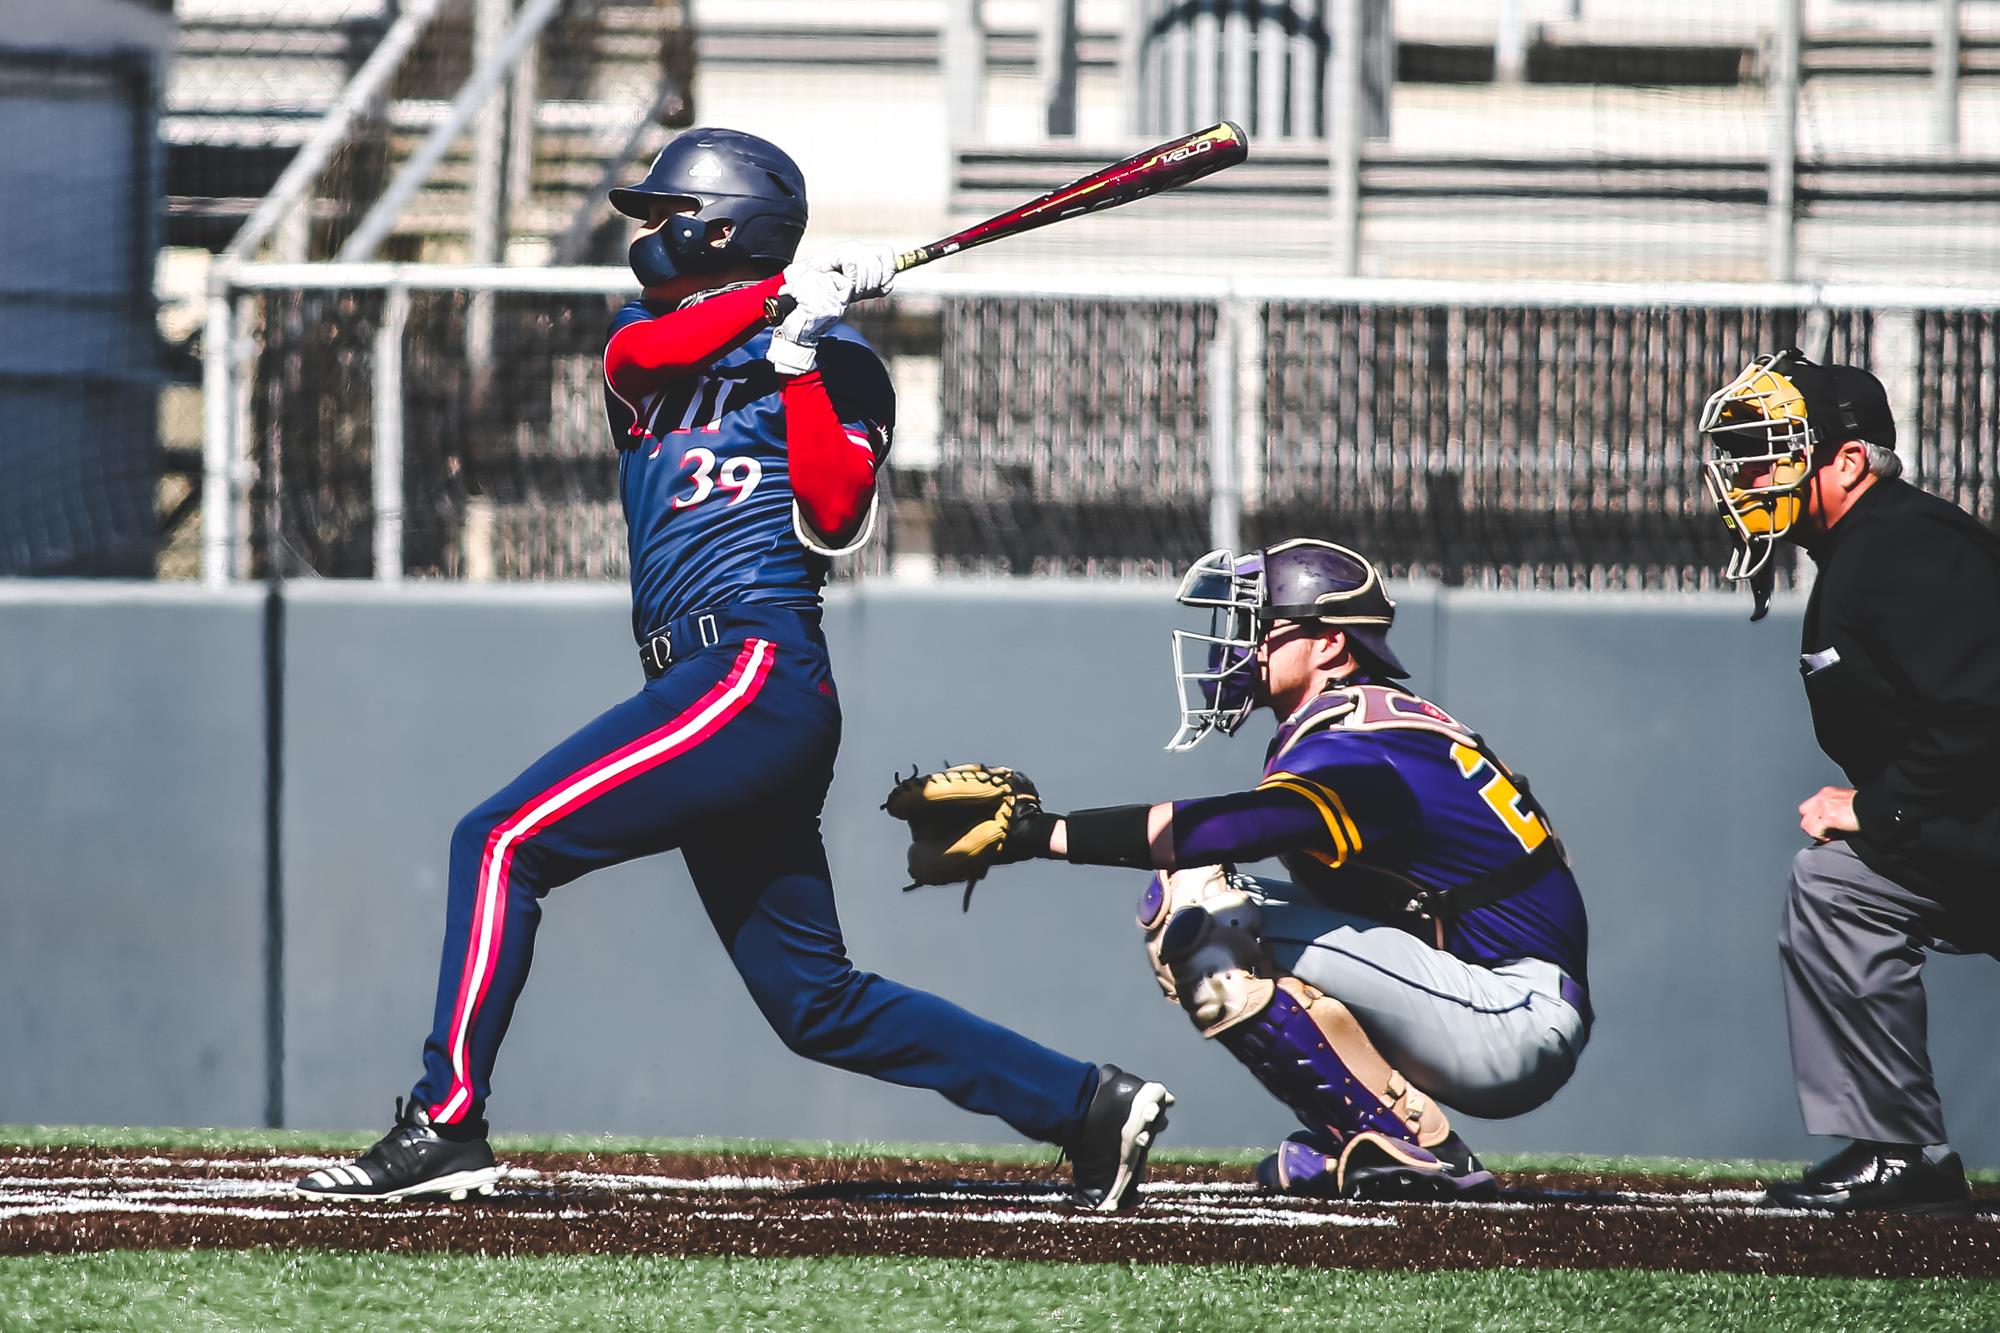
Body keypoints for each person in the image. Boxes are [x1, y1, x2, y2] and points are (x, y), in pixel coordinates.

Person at [296, 127, 1171, 1211]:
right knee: (814, 1003)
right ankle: (1086, 1105)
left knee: (500, 841)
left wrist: (800, 360)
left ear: (723, 226)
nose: (648, 232)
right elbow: (642, 364)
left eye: (668, 213)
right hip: (697, 682)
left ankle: (444, 1121)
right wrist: (775, 305)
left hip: (753, 670)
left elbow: (835, 511)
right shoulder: (643, 340)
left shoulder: (843, 363)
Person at [885, 538, 1592, 1199]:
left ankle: (1414, 1144)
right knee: (1207, 897)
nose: (1244, 645)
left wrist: (1041, 833)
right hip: (1477, 990)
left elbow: (1240, 828)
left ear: (1330, 643)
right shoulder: (1372, 723)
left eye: (1265, 626)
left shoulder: (1359, 742)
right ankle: (1365, 1133)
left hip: (1512, 1014)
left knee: (1197, 902)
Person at [1700, 348, 2000, 1216]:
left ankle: (1900, 1151)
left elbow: (1984, 708)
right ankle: (1898, 1151)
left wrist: (1879, 805)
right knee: (1839, 885)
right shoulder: (1867, 548)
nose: (1749, 476)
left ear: (1848, 460)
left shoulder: (1905, 545)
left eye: (1770, 453)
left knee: (1838, 881)